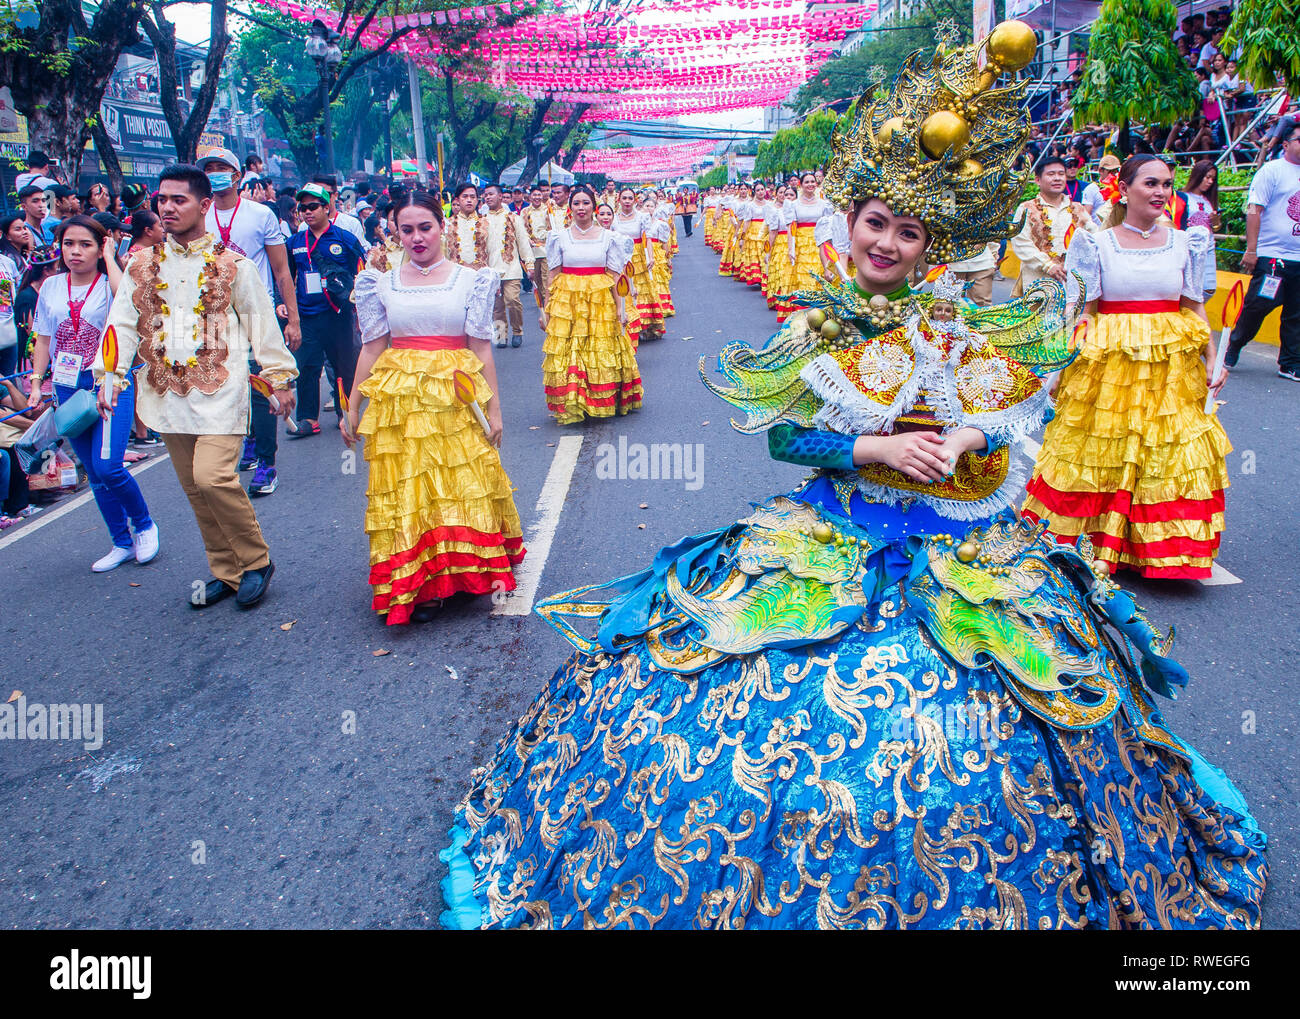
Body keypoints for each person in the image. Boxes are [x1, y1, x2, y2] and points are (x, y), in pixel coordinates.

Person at [441, 30, 1266, 930]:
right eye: (876, 221)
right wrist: (873, 450)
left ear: (928, 244)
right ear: (851, 220)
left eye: (908, 231)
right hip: (836, 529)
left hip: (962, 548)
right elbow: (787, 440)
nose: (888, 242)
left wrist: (955, 441)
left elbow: (998, 411)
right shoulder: (815, 325)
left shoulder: (955, 320)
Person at [95, 163, 298, 608]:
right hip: (165, 391)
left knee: (213, 477)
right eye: (161, 200)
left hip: (222, 389)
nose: (167, 208)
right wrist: (109, 376)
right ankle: (226, 571)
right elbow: (123, 324)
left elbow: (262, 323)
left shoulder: (234, 265)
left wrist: (279, 377)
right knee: (193, 486)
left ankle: (256, 560)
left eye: (178, 200)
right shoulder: (140, 266)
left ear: (205, 204)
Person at [1024, 154, 1229, 579]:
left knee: (1165, 455)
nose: (1160, 192)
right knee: (1105, 451)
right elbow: (1080, 310)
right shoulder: (1095, 242)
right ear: (1126, 187)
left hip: (1171, 369)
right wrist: (1060, 367)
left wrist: (1213, 360)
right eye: (1151, 183)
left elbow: (1195, 308)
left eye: (1167, 184)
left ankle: (1152, 548)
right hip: (1111, 365)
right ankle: (1094, 542)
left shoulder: (1185, 242)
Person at [340, 191, 524, 624]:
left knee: (460, 483)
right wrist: (353, 405)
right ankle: (420, 581)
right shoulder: (379, 281)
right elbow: (371, 348)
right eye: (407, 229)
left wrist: (494, 411)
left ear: (442, 228)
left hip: (455, 397)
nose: (417, 237)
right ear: (395, 232)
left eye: (425, 227)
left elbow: (481, 348)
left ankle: (462, 569)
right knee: (410, 489)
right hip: (401, 402)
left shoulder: (470, 279)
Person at [25, 215, 158, 571]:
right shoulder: (51, 287)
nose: (75, 252)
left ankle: (145, 526)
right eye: (69, 244)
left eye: (85, 244)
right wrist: (38, 382)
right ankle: (121, 542)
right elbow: (43, 337)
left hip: (110, 382)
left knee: (109, 466)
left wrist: (111, 257)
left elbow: (126, 299)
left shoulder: (109, 282)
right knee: (94, 473)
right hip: (67, 387)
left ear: (99, 247)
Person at [202, 148, 302, 496]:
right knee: (227, 387)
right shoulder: (199, 218)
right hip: (213, 316)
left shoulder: (261, 214)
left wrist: (293, 319)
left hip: (257, 312)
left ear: (236, 174)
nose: (215, 174)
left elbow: (281, 271)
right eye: (209, 169)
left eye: (221, 168)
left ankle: (267, 463)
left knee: (262, 386)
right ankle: (249, 439)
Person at [541, 184, 641, 424]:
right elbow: (552, 274)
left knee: (601, 350)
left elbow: (616, 276)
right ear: (570, 207)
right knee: (570, 350)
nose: (581, 208)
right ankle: (573, 400)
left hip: (600, 303)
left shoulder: (610, 238)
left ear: (594, 208)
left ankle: (602, 398)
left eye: (586, 203)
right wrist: (546, 308)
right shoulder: (559, 237)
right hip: (568, 304)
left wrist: (621, 308)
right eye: (576, 203)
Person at [285, 182, 366, 438]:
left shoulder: (344, 239)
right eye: (302, 208)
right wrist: (283, 304)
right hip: (307, 315)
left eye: (313, 207)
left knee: (344, 365)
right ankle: (308, 419)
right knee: (307, 366)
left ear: (327, 208)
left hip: (338, 315)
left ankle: (347, 413)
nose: (307, 212)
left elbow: (362, 271)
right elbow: (285, 276)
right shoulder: (295, 242)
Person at [1223, 120, 1300, 381]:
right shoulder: (1272, 170)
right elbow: (1255, 208)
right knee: (1258, 304)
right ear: (1286, 144)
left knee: (1297, 313)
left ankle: (1289, 363)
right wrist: (1252, 249)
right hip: (1273, 256)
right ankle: (1235, 342)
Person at [1009, 155, 1095, 296]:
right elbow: (1021, 243)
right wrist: (1048, 266)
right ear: (1037, 180)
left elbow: (1093, 236)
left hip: (1071, 284)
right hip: (1038, 286)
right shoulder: (1026, 208)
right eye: (1051, 174)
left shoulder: (1078, 208)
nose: (1057, 178)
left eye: (1061, 174)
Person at [480, 183, 535, 348]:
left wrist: (529, 264)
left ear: (500, 196)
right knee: (497, 306)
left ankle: (517, 331)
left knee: (512, 300)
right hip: (491, 270)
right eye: (485, 195)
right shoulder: (481, 221)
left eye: (491, 194)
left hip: (511, 268)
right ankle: (500, 335)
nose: (488, 197)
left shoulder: (513, 218)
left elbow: (523, 242)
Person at [610, 187, 660, 341]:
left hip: (638, 256)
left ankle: (645, 325)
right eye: (624, 198)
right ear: (619, 199)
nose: (627, 201)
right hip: (620, 258)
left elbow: (648, 238)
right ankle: (629, 325)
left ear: (634, 200)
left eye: (630, 198)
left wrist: (650, 257)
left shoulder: (642, 217)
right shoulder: (613, 218)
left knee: (641, 291)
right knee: (625, 292)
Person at [787, 172, 837, 296]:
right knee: (805, 273)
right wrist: (790, 248)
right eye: (807, 182)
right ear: (801, 185)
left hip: (820, 241)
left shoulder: (824, 204)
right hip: (801, 244)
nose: (810, 184)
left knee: (821, 271)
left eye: (812, 181)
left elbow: (828, 225)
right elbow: (791, 227)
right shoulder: (794, 204)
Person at [1182, 159, 1221, 302]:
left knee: (1209, 288)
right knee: (1188, 288)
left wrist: (1216, 222)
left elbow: (1215, 227)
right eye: (1207, 177)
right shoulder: (1183, 197)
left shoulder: (1209, 200)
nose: (1210, 181)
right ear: (1198, 175)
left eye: (1213, 179)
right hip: (1188, 248)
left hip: (1208, 247)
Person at [522, 184, 552, 328]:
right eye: (534, 195)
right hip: (533, 250)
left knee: (546, 277)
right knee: (538, 279)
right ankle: (541, 301)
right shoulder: (525, 211)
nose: (537, 197)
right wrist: (529, 240)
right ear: (530, 197)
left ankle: (547, 306)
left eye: (539, 195)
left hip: (546, 248)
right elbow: (522, 229)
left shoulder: (548, 210)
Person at [311, 174, 368, 248]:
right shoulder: (304, 226)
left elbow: (362, 253)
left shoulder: (351, 224)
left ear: (335, 195)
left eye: (326, 194)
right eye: (316, 195)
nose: (321, 199)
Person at [445, 183, 487, 270]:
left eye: (472, 197)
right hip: (455, 274)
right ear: (457, 200)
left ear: (477, 200)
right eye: (465, 196)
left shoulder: (486, 222)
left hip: (482, 275)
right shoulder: (448, 224)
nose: (469, 200)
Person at [1081, 153, 1122, 225]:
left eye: (1116, 171)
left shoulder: (1121, 187)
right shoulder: (1091, 189)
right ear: (1100, 171)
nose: (1114, 174)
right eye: (1110, 171)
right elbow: (1086, 216)